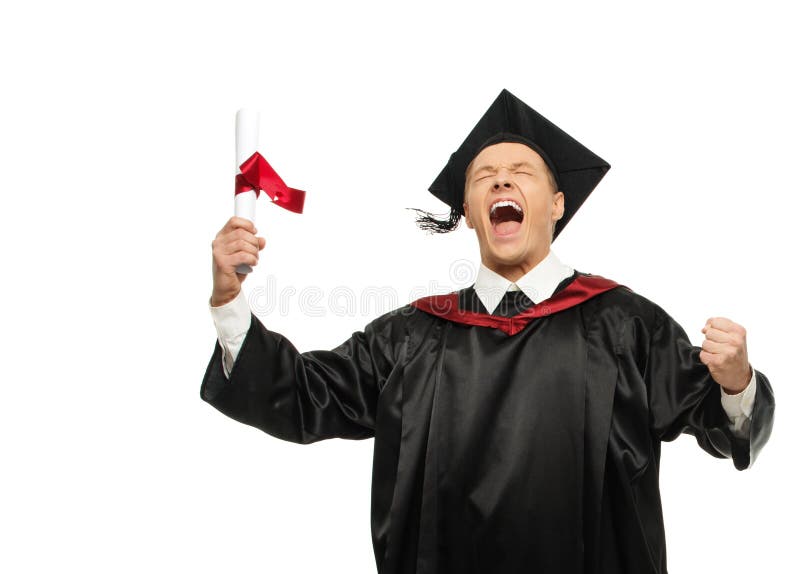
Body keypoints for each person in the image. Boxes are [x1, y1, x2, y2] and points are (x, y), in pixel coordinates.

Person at [201, 89, 774, 574]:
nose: (502, 181)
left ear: (555, 204)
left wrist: (735, 381)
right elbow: (301, 396)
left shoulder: (625, 324)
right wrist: (230, 302)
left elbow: (722, 426)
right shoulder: (412, 337)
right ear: (470, 212)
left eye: (521, 172)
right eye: (484, 177)